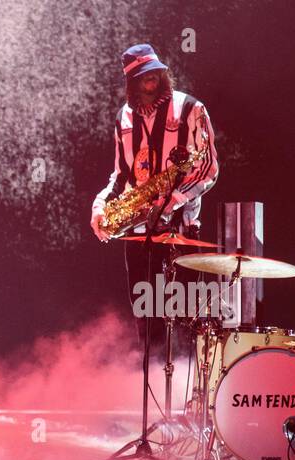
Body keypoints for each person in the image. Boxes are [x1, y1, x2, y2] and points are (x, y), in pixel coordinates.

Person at [90, 44, 219, 339]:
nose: (151, 79)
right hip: (139, 234)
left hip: (181, 229)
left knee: (186, 321)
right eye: (142, 75)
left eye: (154, 72)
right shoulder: (123, 117)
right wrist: (100, 206)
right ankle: (147, 381)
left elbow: (209, 168)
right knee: (147, 325)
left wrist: (172, 201)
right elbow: (122, 174)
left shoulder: (190, 108)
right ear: (131, 82)